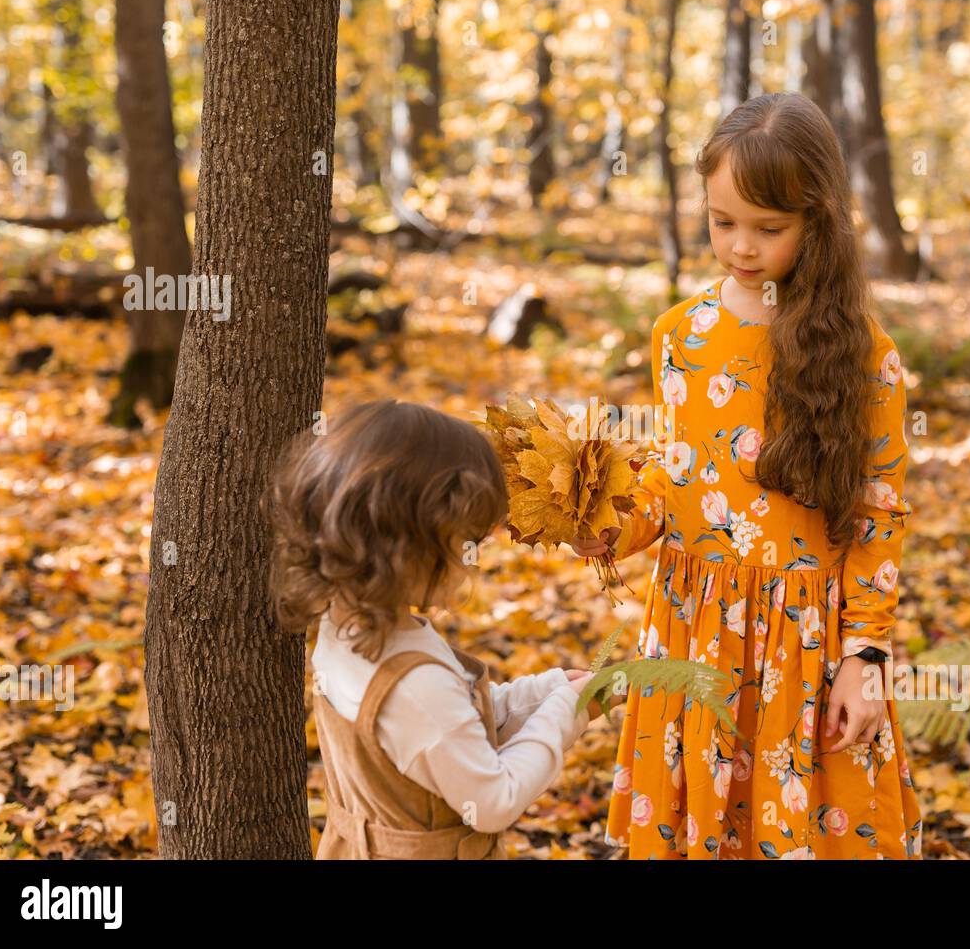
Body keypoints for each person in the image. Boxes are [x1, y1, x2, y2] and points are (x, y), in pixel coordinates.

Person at [572, 92, 923, 859]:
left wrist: (865, 656)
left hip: (807, 644)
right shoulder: (680, 335)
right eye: (721, 220)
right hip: (694, 632)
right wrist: (608, 526)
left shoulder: (864, 354)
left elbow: (878, 515)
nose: (741, 246)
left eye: (769, 228)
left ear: (817, 220)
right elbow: (673, 483)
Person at [269, 400, 602, 859]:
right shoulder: (414, 682)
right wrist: (567, 711)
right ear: (407, 545)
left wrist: (544, 692)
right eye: (465, 541)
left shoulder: (346, 627)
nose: (473, 560)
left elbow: (445, 735)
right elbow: (492, 800)